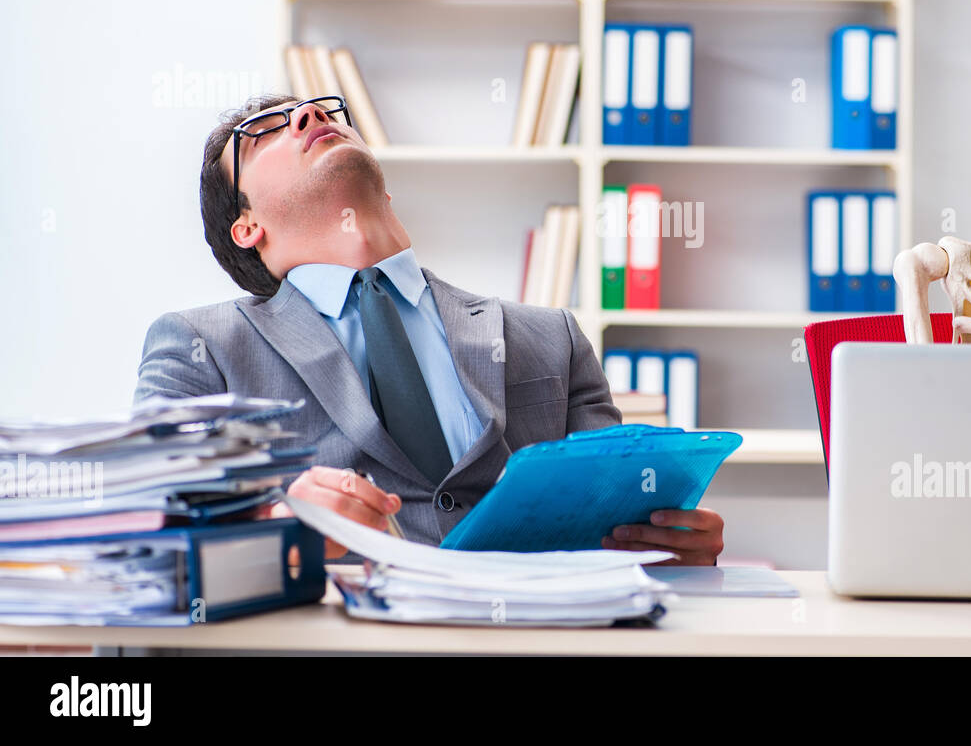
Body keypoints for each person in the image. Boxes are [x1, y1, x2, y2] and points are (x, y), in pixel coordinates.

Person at [133, 94, 724, 565]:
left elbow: (615, 529)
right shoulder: (200, 349)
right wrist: (283, 525)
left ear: (383, 188)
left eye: (320, 110)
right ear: (246, 227)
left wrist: (669, 546)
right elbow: (150, 530)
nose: (310, 115)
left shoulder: (551, 339)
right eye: (264, 131)